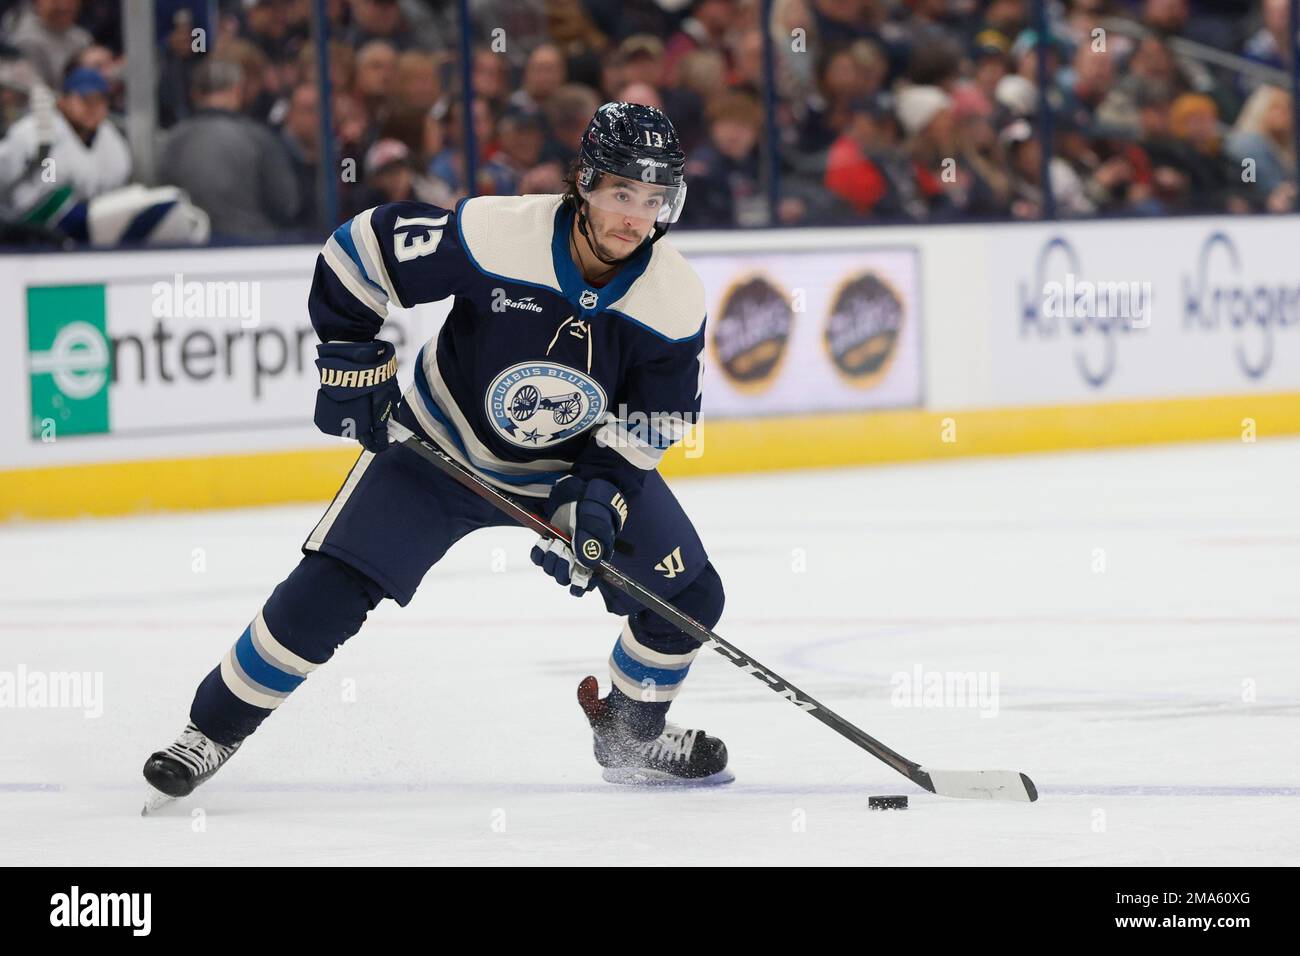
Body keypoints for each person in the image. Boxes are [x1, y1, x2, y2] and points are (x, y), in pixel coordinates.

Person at [142, 103, 730, 808]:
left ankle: (630, 735)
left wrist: (598, 498)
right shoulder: (494, 234)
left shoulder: (675, 296)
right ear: (584, 183)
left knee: (690, 598)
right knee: (332, 588)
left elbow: (654, 419)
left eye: (654, 199)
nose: (636, 217)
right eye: (621, 194)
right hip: (439, 444)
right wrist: (352, 363)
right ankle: (208, 731)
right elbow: (357, 253)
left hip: (564, 472)